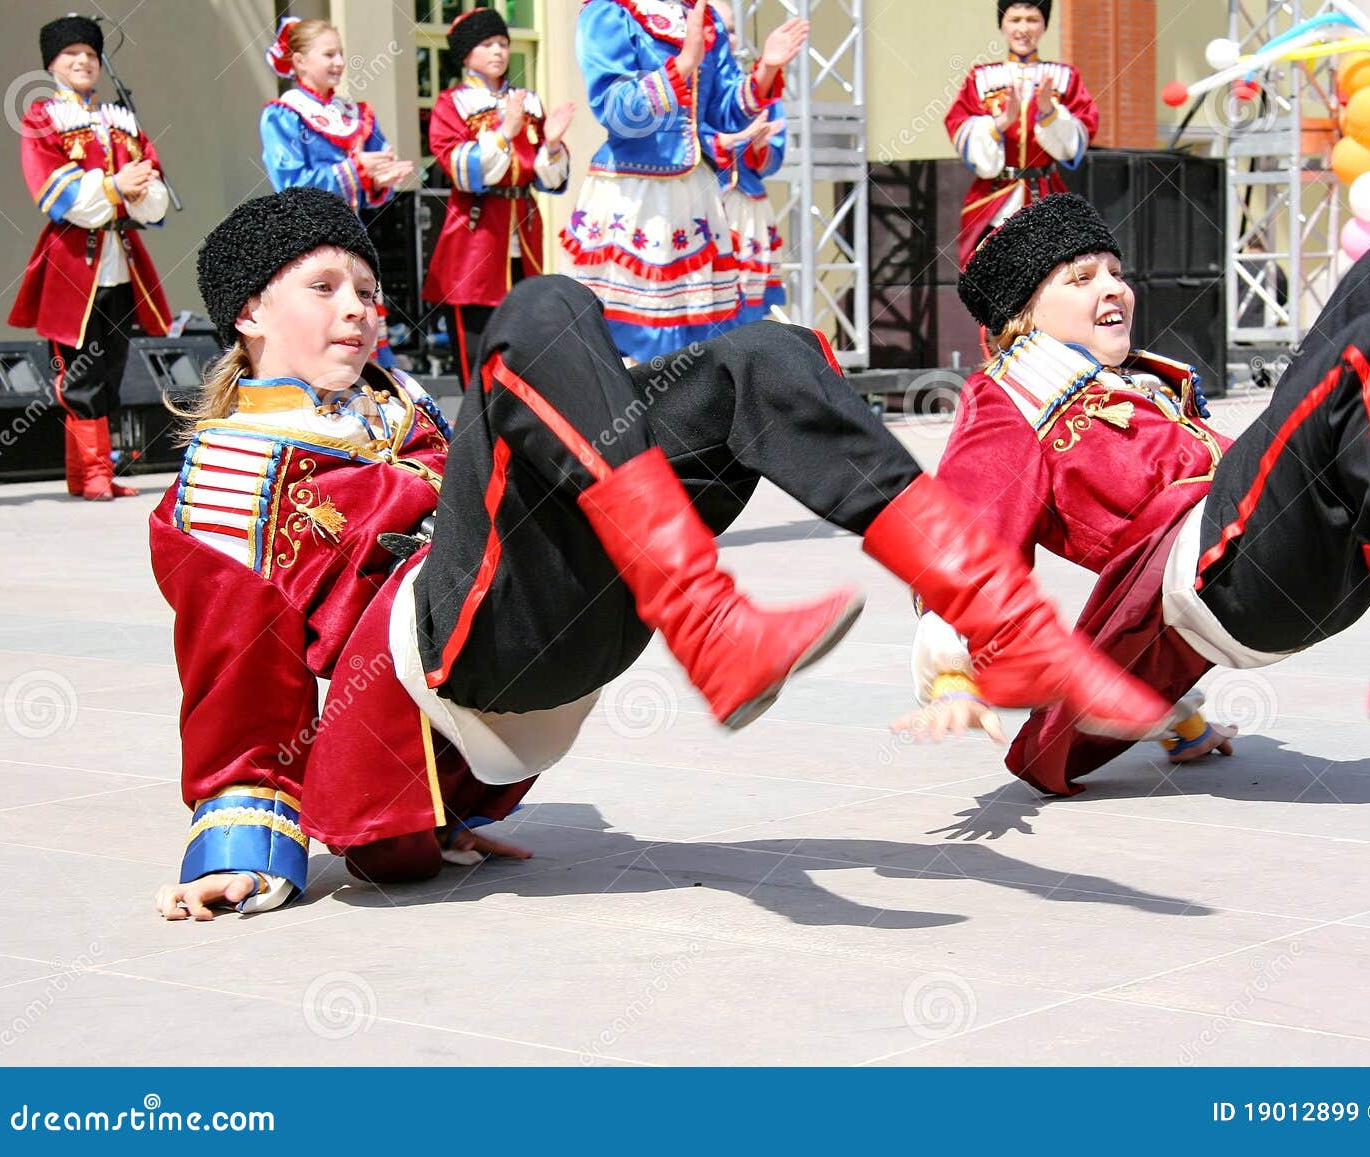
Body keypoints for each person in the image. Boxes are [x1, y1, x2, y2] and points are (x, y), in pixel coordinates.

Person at [150, 187, 1169, 919]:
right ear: (248, 315)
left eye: (369, 290)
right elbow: (241, 671)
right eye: (325, 287)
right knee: (542, 308)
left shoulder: (401, 412)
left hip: (549, 638)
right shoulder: (235, 470)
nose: (359, 308)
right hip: (440, 666)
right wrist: (244, 844)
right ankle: (708, 618)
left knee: (762, 356)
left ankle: (999, 616)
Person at [899, 192, 1370, 804]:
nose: (1111, 287)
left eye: (1115, 271)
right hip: (1227, 579)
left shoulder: (1140, 384)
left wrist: (1176, 714)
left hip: (1311, 560)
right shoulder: (1010, 394)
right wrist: (952, 667)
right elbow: (967, 528)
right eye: (1081, 279)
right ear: (1023, 317)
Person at [561, 0, 803, 361]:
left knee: (701, 338)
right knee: (630, 340)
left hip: (696, 194)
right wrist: (682, 66)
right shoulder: (610, 12)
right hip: (634, 191)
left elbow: (726, 113)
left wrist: (767, 68)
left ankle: (687, 414)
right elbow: (616, 111)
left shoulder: (701, 17)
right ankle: (626, 416)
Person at [9, 15, 171, 501]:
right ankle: (92, 472)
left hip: (120, 257)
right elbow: (54, 192)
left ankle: (92, 473)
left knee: (114, 362)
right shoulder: (42, 117)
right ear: (51, 64)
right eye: (70, 54)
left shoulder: (121, 121)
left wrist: (140, 190)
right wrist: (113, 186)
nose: (82, 62)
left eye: (90, 55)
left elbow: (154, 186)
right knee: (78, 367)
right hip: (72, 262)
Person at [422, 6, 576, 387]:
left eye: (503, 43)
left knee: (527, 331)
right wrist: (505, 132)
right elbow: (460, 169)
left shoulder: (529, 102)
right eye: (487, 43)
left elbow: (549, 178)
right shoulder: (451, 104)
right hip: (475, 234)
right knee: (475, 342)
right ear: (466, 53)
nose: (498, 51)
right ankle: (477, 422)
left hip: (523, 227)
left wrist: (553, 144)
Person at [259, 16, 414, 369]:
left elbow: (373, 177)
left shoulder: (355, 114)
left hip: (354, 238)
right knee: (325, 332)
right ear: (299, 61)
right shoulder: (284, 116)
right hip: (308, 241)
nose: (339, 62)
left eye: (341, 53)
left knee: (364, 323)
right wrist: (356, 171)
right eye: (329, 54)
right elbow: (292, 185)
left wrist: (380, 176)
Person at [942, 1, 1097, 271]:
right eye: (1015, 19)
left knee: (1050, 275)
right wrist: (1001, 122)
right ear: (1002, 24)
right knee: (991, 278)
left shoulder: (1065, 77)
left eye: (1032, 20)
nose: (1023, 28)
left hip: (1045, 193)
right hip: (995, 196)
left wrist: (1049, 113)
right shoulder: (981, 78)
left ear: (1044, 25)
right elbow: (958, 124)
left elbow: (1079, 137)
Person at [702, 1, 786, 326]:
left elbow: (773, 156)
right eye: (719, 28)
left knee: (744, 310)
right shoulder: (687, 80)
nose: (729, 37)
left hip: (745, 207)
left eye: (733, 29)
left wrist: (758, 147)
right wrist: (729, 141)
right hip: (701, 202)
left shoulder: (760, 85)